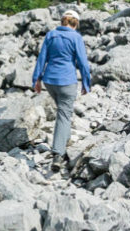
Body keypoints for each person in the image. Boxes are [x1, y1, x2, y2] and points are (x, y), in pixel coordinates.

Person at [31, 9, 91, 172]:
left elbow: (42, 58)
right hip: (67, 81)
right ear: (75, 23)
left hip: (49, 81)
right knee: (64, 115)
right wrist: (86, 82)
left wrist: (36, 79)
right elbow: (83, 62)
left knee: (63, 112)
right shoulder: (76, 37)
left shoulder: (51, 35)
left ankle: (64, 140)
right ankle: (58, 154)